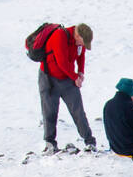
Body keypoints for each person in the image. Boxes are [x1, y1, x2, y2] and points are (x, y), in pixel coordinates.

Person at [39, 23, 96, 153]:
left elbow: (81, 56)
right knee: (50, 112)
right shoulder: (60, 36)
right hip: (49, 79)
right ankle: (50, 143)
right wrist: (75, 77)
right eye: (82, 42)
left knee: (78, 111)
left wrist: (80, 72)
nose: (82, 45)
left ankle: (90, 142)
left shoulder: (80, 41)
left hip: (67, 78)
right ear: (77, 35)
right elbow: (61, 61)